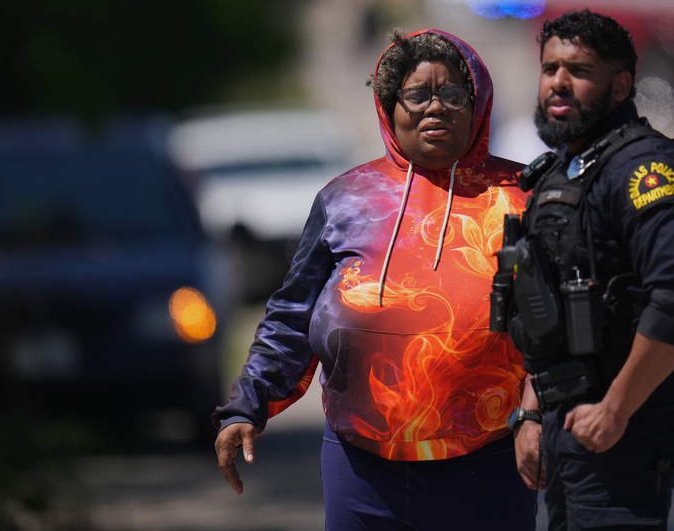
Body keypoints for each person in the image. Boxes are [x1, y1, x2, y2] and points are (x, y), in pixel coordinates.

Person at [213, 29, 539, 530]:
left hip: (490, 460)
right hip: (361, 464)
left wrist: (542, 418)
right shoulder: (345, 199)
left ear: (478, 104)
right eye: (417, 95)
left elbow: (557, 324)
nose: (437, 107)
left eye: (453, 94)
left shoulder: (526, 197)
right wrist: (246, 406)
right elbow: (293, 314)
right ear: (390, 106)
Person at [499, 9, 674, 529]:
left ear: (620, 85)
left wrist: (616, 410)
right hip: (566, 413)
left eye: (578, 70)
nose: (559, 81)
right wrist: (532, 413)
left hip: (625, 419)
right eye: (549, 68)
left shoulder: (645, 169)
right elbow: (546, 310)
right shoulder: (564, 169)